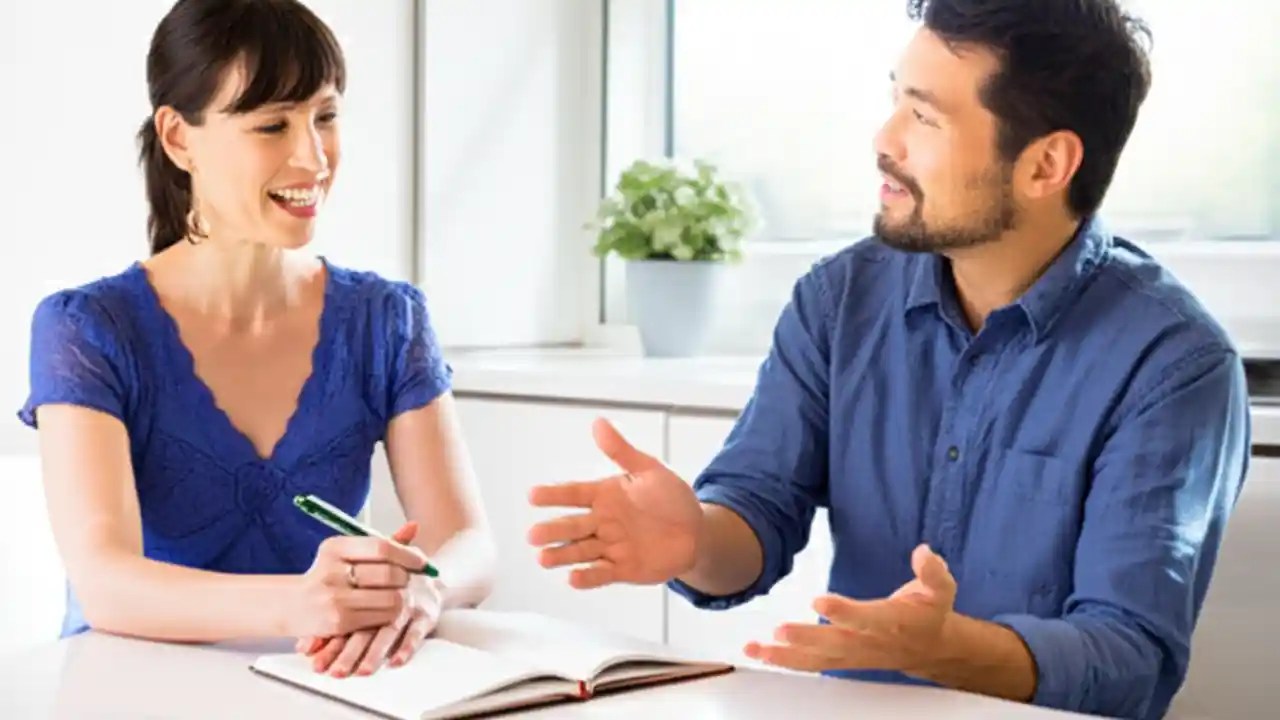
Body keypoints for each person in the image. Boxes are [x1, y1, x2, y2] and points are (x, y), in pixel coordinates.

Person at [526, 0, 1250, 718]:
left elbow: (1128, 660)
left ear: (1046, 165)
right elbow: (756, 511)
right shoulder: (841, 298)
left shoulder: (1173, 364)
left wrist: (944, 648)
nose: (884, 139)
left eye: (925, 117)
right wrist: (694, 540)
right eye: (895, 99)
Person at [18, 0, 494, 679]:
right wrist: (301, 603)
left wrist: (428, 586)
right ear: (179, 138)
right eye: (272, 125)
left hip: (319, 689)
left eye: (325, 116)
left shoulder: (387, 319)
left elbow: (468, 542)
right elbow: (106, 581)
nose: (313, 156)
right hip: (125, 690)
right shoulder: (88, 327)